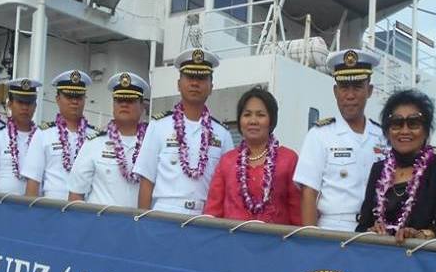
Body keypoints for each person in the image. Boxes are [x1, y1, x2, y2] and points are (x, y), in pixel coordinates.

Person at [356, 89, 436, 243]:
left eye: (413, 124)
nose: (405, 131)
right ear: (387, 131)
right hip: (381, 260)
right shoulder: (378, 170)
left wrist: (422, 235)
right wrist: (371, 231)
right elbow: (363, 225)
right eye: (396, 124)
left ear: (426, 130)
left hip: (426, 263)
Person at [293, 49, 388, 231]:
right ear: (336, 92)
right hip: (333, 228)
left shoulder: (383, 137)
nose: (350, 95)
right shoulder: (319, 135)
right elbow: (309, 194)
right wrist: (312, 242)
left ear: (369, 90)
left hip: (375, 231)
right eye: (344, 87)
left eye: (358, 87)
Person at [134, 48, 234, 215]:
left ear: (211, 87)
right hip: (165, 214)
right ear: (179, 84)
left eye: (201, 78)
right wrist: (143, 225)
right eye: (190, 77)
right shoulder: (158, 126)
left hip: (206, 216)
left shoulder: (223, 134)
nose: (195, 83)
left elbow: (228, 186)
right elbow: (147, 181)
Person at [204, 87, 301, 224]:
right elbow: (212, 213)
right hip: (233, 242)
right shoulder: (227, 161)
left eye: (260, 115)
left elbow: (298, 214)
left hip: (276, 243)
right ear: (240, 120)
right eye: (247, 114)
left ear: (271, 120)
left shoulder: (288, 159)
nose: (253, 121)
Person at [67, 72, 149, 208]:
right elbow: (76, 194)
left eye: (130, 100)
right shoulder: (94, 143)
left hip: (138, 225)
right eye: (119, 100)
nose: (124, 105)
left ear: (141, 106)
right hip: (101, 225)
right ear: (113, 104)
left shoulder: (152, 143)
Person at [22, 70, 97, 199]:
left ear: (84, 100)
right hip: (51, 210)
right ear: (58, 99)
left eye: (78, 97)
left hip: (84, 210)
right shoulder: (43, 134)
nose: (74, 102)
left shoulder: (95, 137)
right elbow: (33, 183)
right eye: (69, 96)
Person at [0, 77, 41, 194]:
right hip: (2, 206)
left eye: (29, 103)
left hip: (34, 207)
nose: (25, 107)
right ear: (10, 104)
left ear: (35, 106)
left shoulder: (42, 138)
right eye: (20, 102)